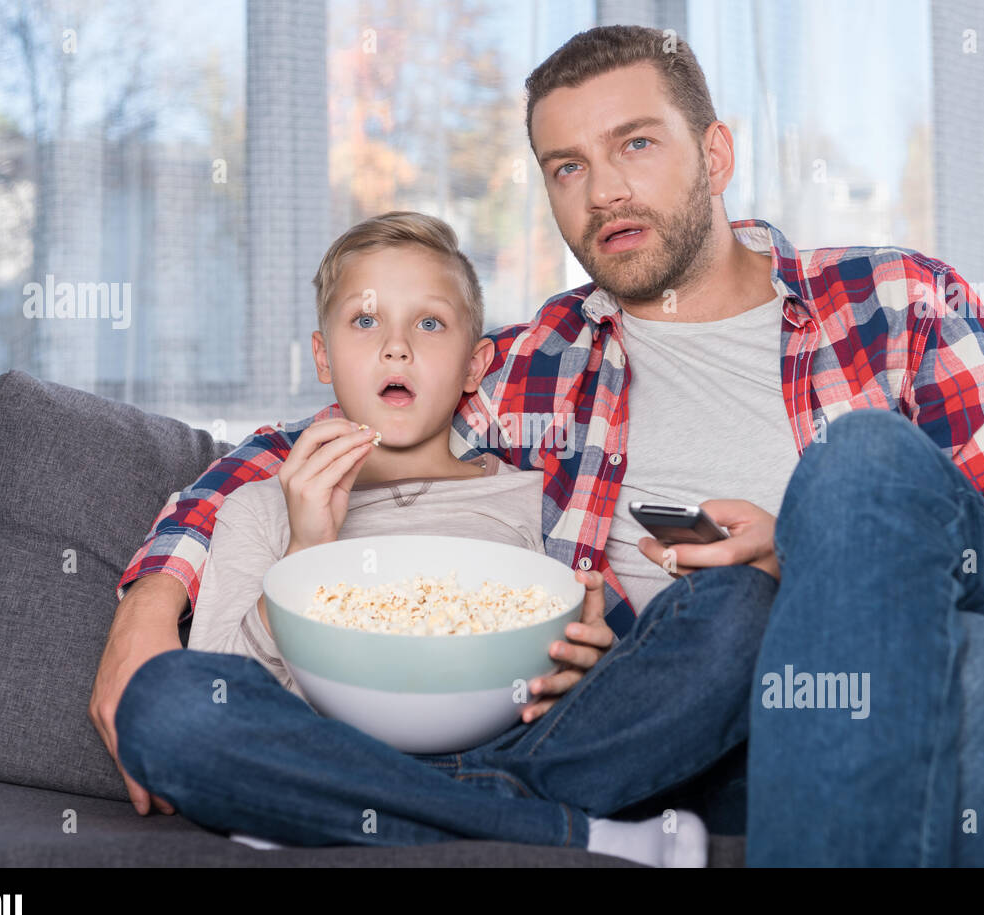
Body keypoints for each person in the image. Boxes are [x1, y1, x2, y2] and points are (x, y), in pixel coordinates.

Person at [92, 24, 984, 867]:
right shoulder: (537, 360)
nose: (602, 188)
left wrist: (813, 559)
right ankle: (547, 830)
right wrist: (150, 602)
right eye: (565, 166)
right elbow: (310, 440)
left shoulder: (893, 299)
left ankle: (471, 819)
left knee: (865, 482)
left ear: (715, 153)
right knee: (174, 708)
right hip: (717, 761)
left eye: (635, 146)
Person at [114, 208, 778, 867]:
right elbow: (229, 683)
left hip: (522, 746)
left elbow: (570, 663)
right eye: (364, 321)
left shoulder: (539, 495)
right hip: (326, 744)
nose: (395, 346)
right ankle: (563, 833)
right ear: (323, 354)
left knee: (742, 598)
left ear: (473, 365)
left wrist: (586, 664)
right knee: (163, 702)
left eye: (429, 323)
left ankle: (339, 813)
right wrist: (304, 556)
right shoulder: (261, 506)